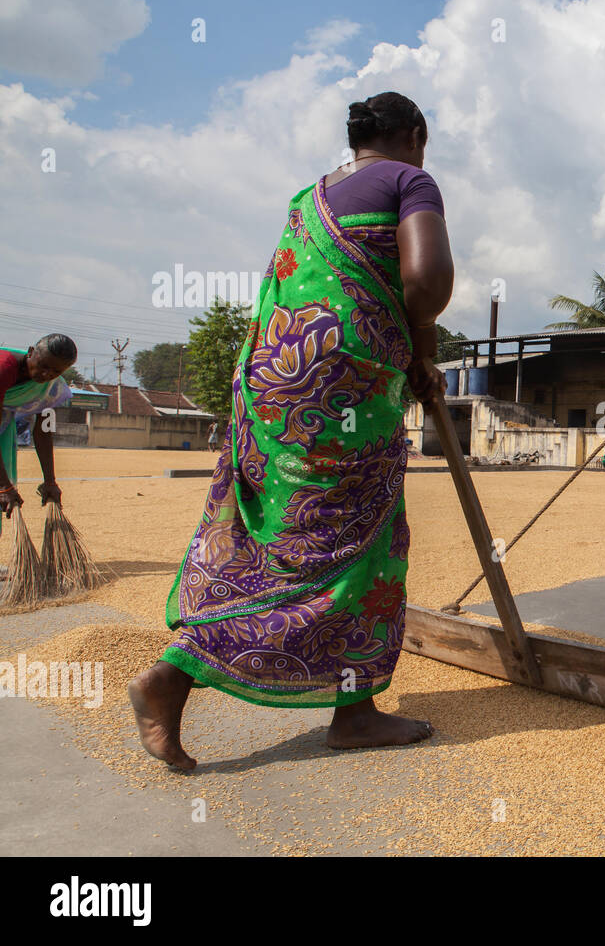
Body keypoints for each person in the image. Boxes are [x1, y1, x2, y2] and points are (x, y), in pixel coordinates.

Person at [128, 92, 454, 770]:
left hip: (274, 400)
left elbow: (296, 299)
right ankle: (175, 673)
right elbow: (426, 281)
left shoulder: (307, 200)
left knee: (293, 547)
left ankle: (354, 709)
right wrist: (420, 349)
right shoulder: (410, 180)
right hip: (344, 401)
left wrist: (410, 355)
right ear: (415, 134)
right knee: (357, 548)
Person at [0, 335, 77, 529]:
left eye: (55, 371)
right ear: (31, 352)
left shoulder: (51, 388)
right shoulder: (4, 367)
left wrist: (50, 481)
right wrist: (4, 486)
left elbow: (43, 432)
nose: (46, 374)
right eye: (43, 365)